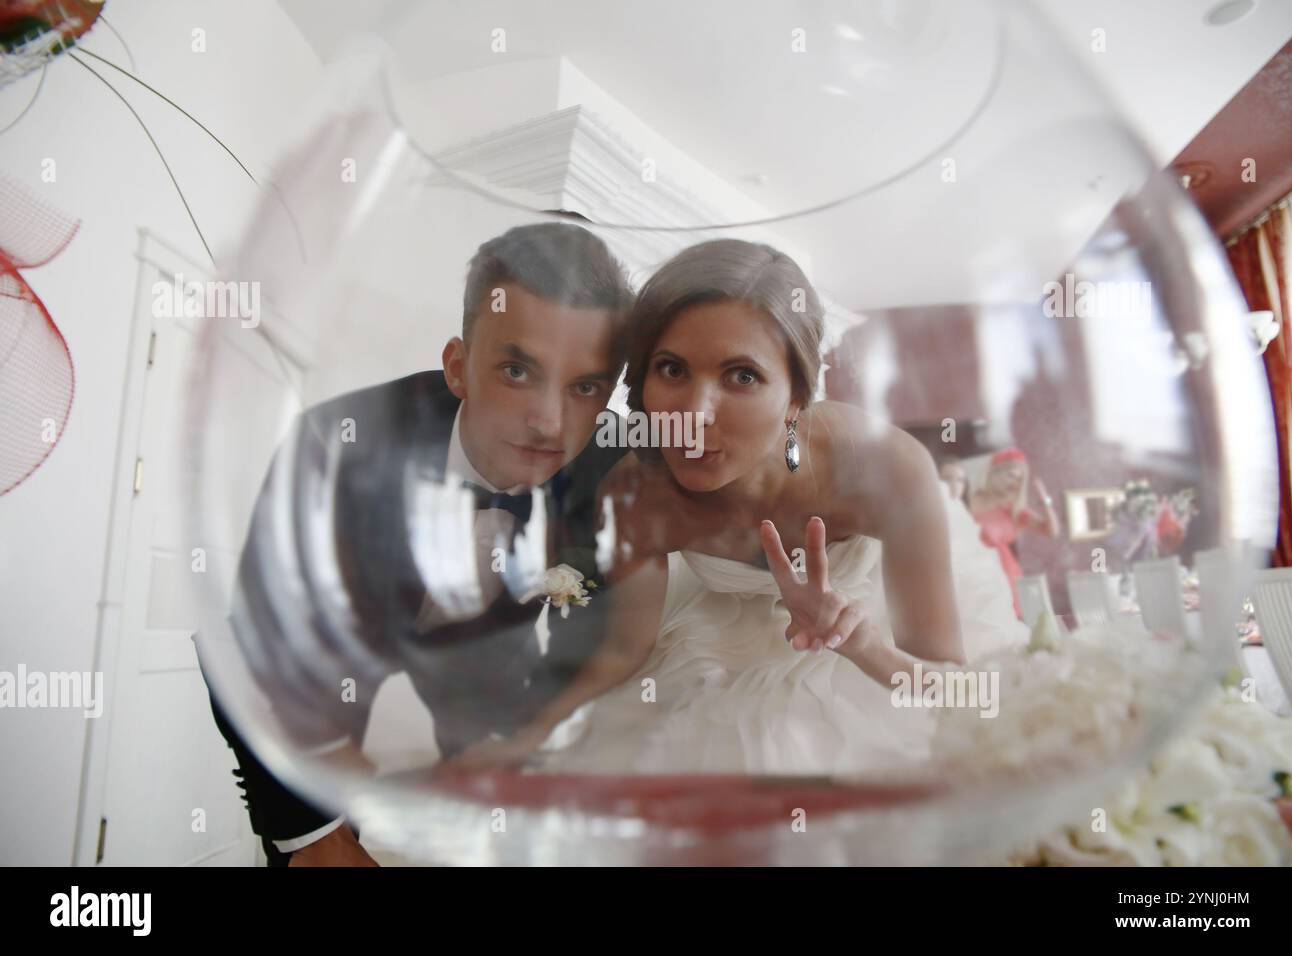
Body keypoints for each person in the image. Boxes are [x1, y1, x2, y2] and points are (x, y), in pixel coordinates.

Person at [440, 239, 1027, 777]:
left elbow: (960, 693)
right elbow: (624, 648)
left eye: (742, 376)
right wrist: (526, 735)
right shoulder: (636, 493)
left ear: (796, 396)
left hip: (876, 639)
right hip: (718, 640)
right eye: (671, 370)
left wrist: (860, 643)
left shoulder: (884, 470)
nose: (695, 413)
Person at [204, 221, 633, 863]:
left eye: (586, 386)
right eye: (518, 370)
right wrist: (312, 841)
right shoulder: (333, 450)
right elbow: (247, 651)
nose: (550, 422)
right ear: (458, 366)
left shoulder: (610, 459)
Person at [969, 447, 1060, 618]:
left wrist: (1045, 500)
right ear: (995, 473)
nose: (1015, 482)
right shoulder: (973, 500)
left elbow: (1051, 531)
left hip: (1005, 574)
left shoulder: (1015, 510)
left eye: (1019, 479)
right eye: (1011, 475)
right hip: (976, 570)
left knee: (1006, 621)